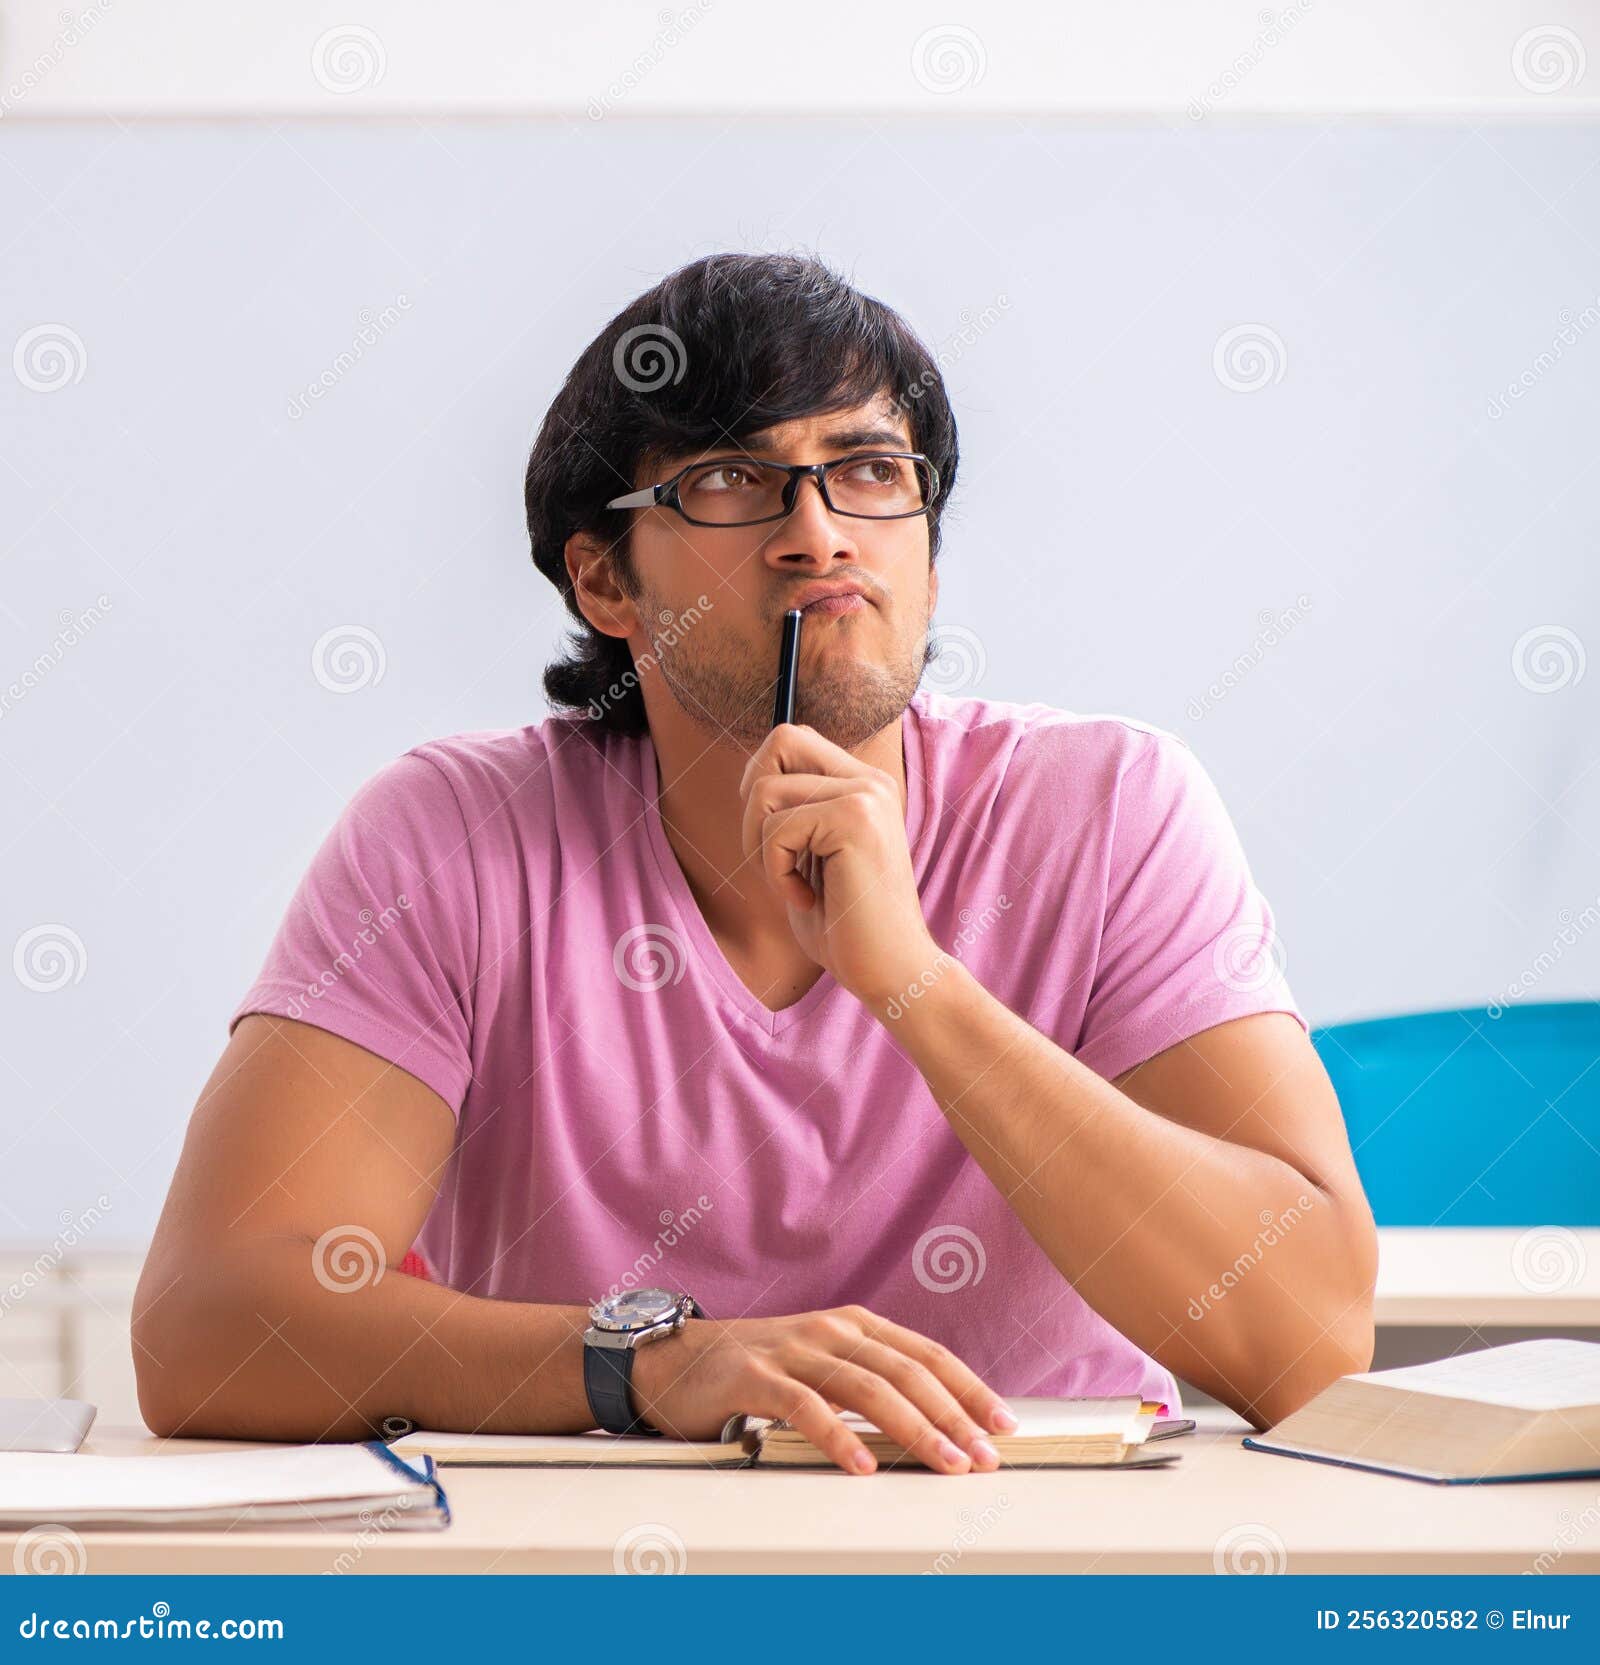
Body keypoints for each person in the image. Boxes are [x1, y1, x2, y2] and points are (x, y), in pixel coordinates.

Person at [133, 251, 1376, 1476]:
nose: (817, 534)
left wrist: (915, 985)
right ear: (605, 578)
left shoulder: (1110, 808)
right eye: (732, 481)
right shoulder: (454, 832)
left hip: (1040, 1567)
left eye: (871, 472)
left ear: (929, 554)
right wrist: (652, 1364)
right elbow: (208, 1333)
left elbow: (1306, 1342)